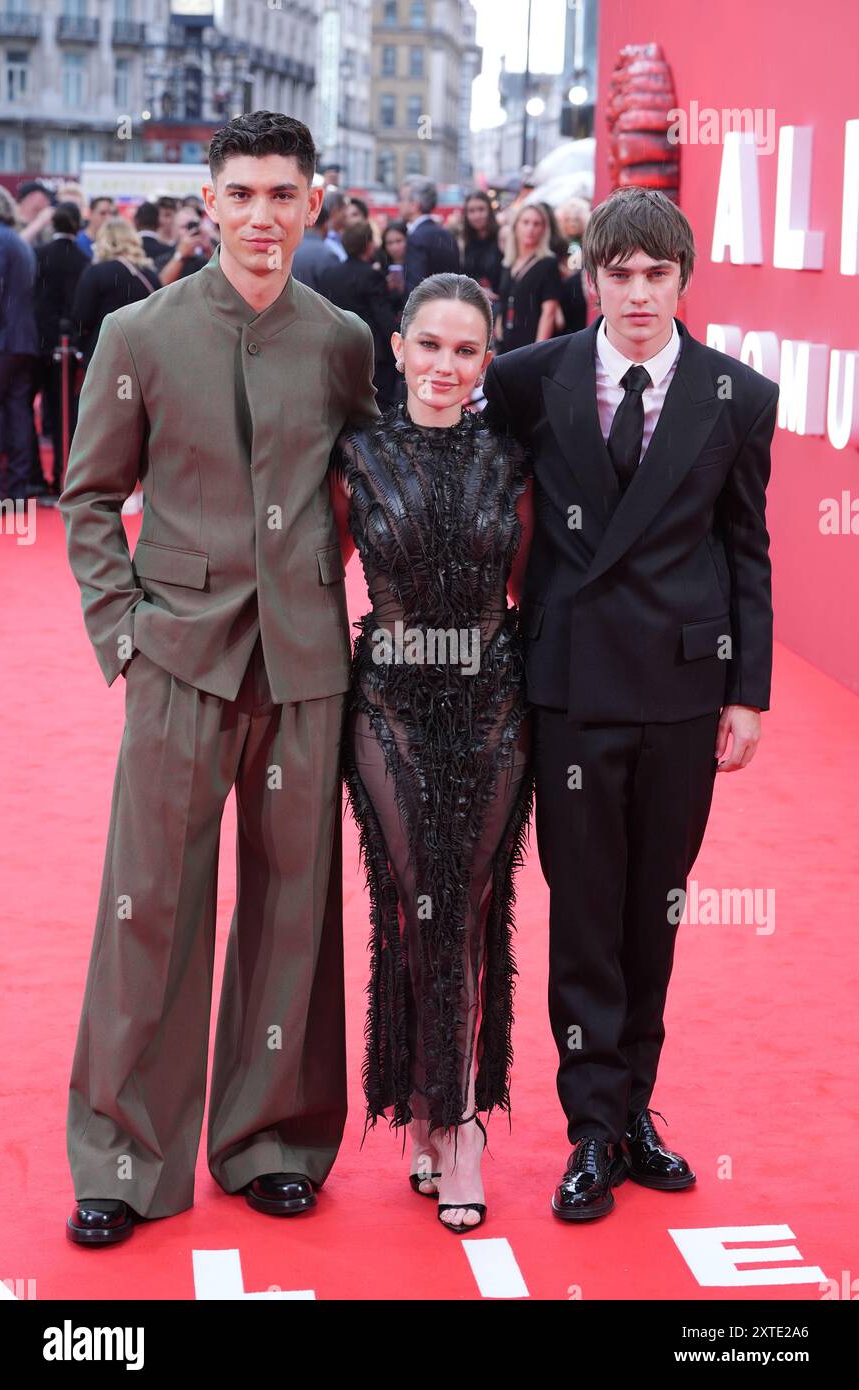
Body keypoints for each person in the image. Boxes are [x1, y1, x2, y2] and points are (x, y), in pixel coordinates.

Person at [59, 109, 380, 1246]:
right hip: (177, 661)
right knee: (147, 909)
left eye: (279, 194)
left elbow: (368, 482)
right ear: (209, 199)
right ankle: (121, 1156)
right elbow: (90, 496)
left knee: (292, 914)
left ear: (311, 201)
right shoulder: (139, 334)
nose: (259, 215)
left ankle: (274, 1139)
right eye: (239, 193)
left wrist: (311, 572)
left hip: (302, 664)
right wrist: (127, 631)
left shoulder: (344, 338)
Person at [483, 185, 778, 1221]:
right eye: (619, 273)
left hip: (682, 688)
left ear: (682, 279)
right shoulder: (525, 381)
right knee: (582, 917)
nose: (639, 291)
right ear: (590, 277)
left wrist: (748, 694)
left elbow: (745, 546)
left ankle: (634, 1111)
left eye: (657, 273)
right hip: (568, 685)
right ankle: (590, 1128)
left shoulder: (738, 395)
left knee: (651, 911)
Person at [329, 273, 536, 1232]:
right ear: (399, 348)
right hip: (390, 706)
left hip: (494, 703)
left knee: (473, 905)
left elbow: (530, 590)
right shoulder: (356, 456)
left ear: (485, 361)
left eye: (466, 351)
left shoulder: (513, 459)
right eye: (431, 346)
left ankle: (450, 1121)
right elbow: (314, 585)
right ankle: (437, 1113)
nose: (446, 366)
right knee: (416, 907)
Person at [32, 200, 90, 499]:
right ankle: (65, 475)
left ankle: (45, 477)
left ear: (53, 225)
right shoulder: (84, 258)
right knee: (70, 411)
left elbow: (33, 298)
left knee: (49, 413)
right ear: (78, 226)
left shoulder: (39, 255)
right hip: (72, 345)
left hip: (42, 343)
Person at [320, 221, 398, 409]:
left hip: (340, 347)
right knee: (378, 405)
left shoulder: (330, 274)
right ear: (369, 245)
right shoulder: (371, 276)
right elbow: (382, 316)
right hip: (372, 351)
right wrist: (398, 344)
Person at [0, 183, 39, 503]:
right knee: (19, 414)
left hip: (1, 341)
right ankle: (18, 493)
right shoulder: (20, 243)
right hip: (25, 340)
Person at [70, 216, 160, 365]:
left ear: (102, 240)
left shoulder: (95, 272)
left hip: (104, 351)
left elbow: (82, 318)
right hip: (143, 352)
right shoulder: (150, 274)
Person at [494, 202, 561, 353]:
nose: (530, 229)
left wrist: (538, 351)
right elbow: (503, 300)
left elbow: (549, 312)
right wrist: (498, 334)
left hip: (530, 345)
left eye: (536, 224)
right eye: (526, 222)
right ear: (516, 226)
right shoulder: (508, 263)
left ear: (544, 229)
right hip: (505, 343)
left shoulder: (548, 263)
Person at [399, 177, 460, 294]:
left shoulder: (416, 238)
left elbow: (416, 289)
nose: (399, 204)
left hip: (426, 308)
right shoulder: (447, 234)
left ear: (414, 205)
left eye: (402, 199)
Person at [461, 191, 503, 304]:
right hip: (473, 304)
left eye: (481, 209)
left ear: (489, 211)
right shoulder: (465, 242)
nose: (477, 215)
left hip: (498, 303)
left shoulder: (502, 238)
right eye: (471, 211)